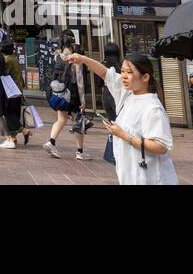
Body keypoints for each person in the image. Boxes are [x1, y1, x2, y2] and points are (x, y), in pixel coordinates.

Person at [64, 49, 175, 184]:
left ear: (145, 77)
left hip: (151, 178)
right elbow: (106, 73)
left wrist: (123, 135)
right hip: (131, 176)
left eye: (129, 72)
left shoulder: (152, 108)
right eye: (122, 71)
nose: (124, 76)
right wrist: (83, 59)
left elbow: (160, 146)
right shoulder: (127, 94)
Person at [44, 35, 88, 160]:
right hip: (73, 95)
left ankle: (51, 142)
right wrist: (83, 100)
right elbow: (79, 81)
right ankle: (80, 152)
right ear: (72, 45)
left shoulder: (57, 57)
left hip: (60, 93)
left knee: (61, 120)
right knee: (78, 122)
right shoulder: (75, 59)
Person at [2, 39, 30, 146]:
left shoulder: (7, 60)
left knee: (8, 113)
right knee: (14, 114)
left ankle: (24, 131)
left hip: (10, 91)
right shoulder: (14, 58)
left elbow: (4, 74)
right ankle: (13, 138)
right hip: (17, 90)